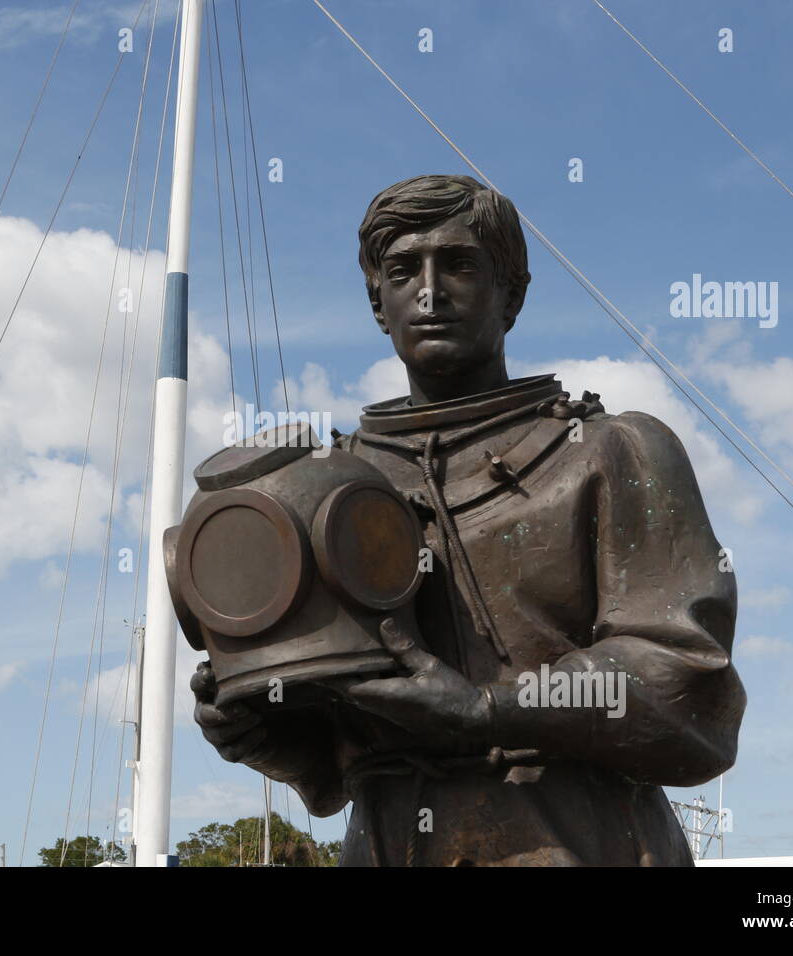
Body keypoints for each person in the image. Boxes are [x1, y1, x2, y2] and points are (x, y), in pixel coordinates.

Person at [190, 174, 747, 866]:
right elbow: (334, 765)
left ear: (510, 294)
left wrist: (490, 709)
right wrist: (272, 738)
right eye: (402, 271)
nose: (428, 293)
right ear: (376, 301)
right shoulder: (319, 491)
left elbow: (686, 687)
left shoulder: (613, 451)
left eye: (457, 264)